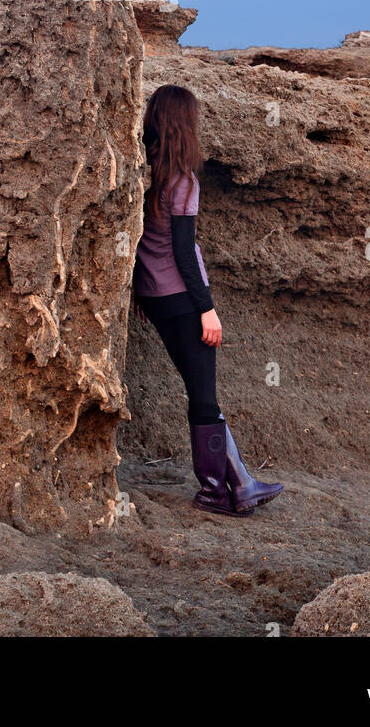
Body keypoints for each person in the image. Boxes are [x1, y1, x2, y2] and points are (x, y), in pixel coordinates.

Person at [133, 83, 283, 517]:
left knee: (200, 391)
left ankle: (241, 485)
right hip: (183, 298)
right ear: (186, 124)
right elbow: (182, 252)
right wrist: (207, 309)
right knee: (203, 396)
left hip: (154, 295)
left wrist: (144, 291)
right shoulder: (181, 180)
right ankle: (215, 490)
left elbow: (142, 239)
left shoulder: (143, 171)